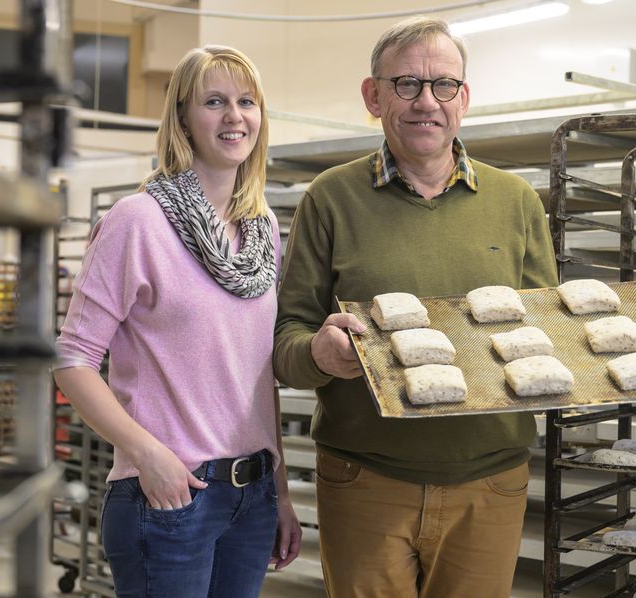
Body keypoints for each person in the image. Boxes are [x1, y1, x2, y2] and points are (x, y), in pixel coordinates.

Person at [273, 16, 558, 598]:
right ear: (373, 96)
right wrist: (319, 354)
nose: (426, 101)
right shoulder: (330, 199)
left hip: (490, 480)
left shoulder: (517, 202)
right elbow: (286, 342)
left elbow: (546, 334)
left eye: (443, 85)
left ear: (464, 99)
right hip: (365, 479)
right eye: (405, 84)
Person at [53, 45, 301, 598]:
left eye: (247, 102)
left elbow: (258, 375)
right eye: (214, 102)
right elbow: (71, 359)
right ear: (183, 118)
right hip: (170, 493)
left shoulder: (262, 230)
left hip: (252, 495)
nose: (235, 116)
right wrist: (147, 455)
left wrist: (280, 491)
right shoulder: (137, 221)